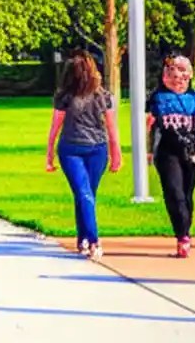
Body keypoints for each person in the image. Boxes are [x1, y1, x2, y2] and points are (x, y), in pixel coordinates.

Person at [45, 50, 122, 262]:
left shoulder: (103, 96)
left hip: (97, 149)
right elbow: (55, 126)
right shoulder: (65, 97)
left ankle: (83, 238)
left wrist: (116, 153)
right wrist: (49, 153)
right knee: (83, 192)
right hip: (71, 150)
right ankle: (94, 239)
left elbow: (111, 128)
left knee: (87, 194)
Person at [145, 55, 195, 258]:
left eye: (183, 72)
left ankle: (185, 231)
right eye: (172, 72)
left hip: (192, 152)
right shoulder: (157, 98)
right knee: (175, 193)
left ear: (190, 75)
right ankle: (182, 236)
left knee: (187, 196)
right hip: (167, 151)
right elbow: (149, 125)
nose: (177, 76)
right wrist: (148, 150)